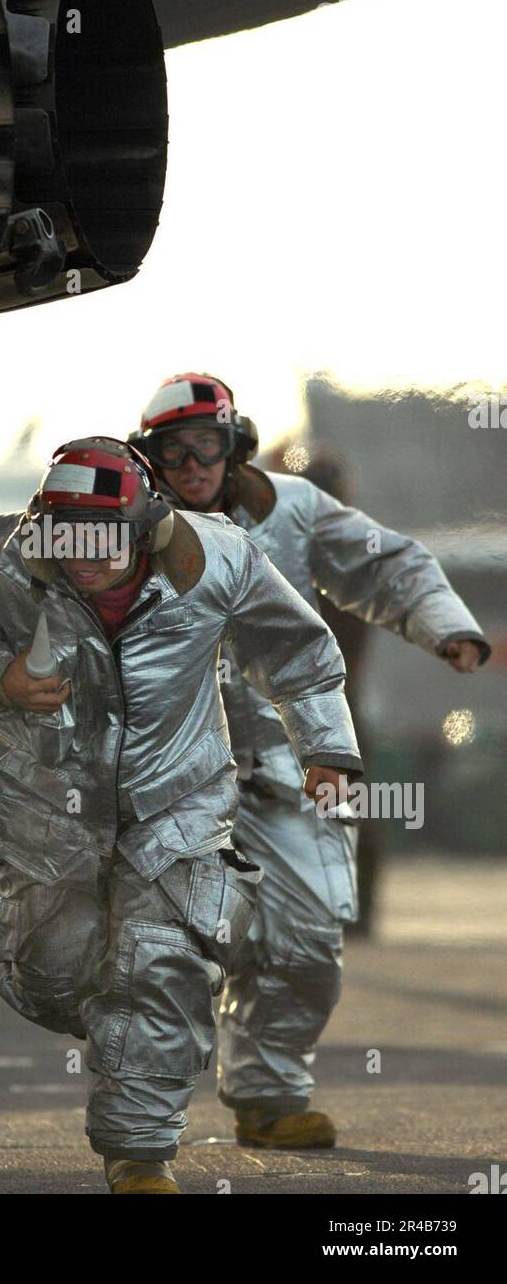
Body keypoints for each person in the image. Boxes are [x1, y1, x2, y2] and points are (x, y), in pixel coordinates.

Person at [0, 434, 362, 1193]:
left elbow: (296, 650)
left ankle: (140, 1157)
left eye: (101, 538)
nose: (82, 559)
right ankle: (125, 1035)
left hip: (179, 809)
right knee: (51, 971)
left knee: (161, 964)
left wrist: (327, 749)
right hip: (45, 820)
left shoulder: (217, 559)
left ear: (145, 528)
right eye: (64, 538)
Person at [131, 373, 490, 1149]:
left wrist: (444, 626)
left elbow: (388, 562)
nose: (192, 465)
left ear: (236, 448)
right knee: (162, 956)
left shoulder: (291, 511)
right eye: (173, 450)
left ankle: (266, 1098)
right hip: (164, 774)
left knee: (305, 945)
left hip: (288, 764)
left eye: (208, 447)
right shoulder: (125, 526)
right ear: (150, 458)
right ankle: (138, 1139)